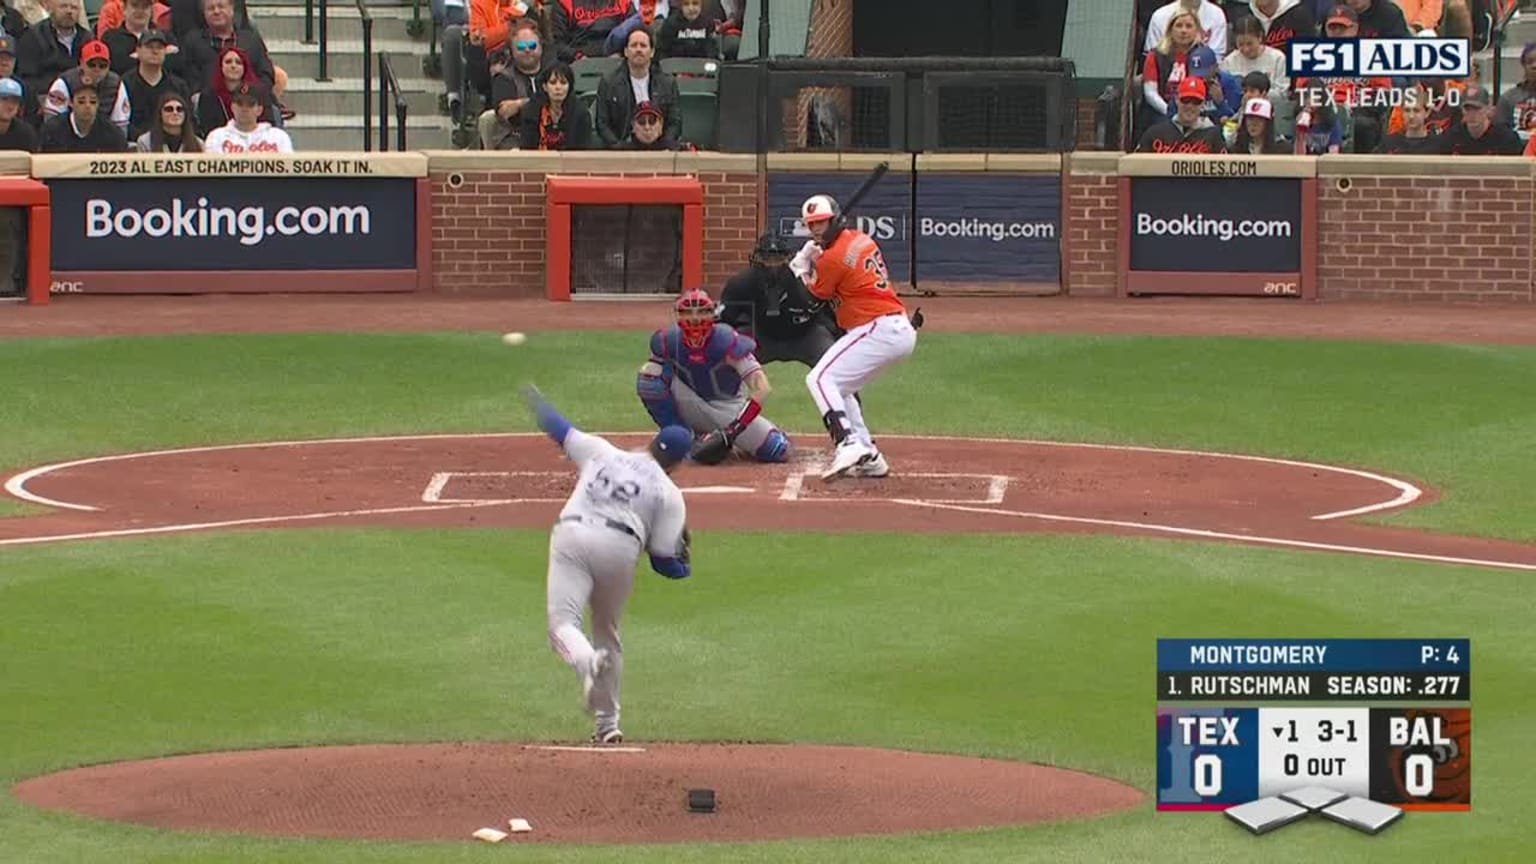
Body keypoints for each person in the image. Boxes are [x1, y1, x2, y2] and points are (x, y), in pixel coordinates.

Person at [522, 384, 693, 746]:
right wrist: (684, 566)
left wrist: (536, 400)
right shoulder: (669, 494)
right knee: (607, 632)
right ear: (678, 463)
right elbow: (665, 562)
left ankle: (586, 661)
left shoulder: (601, 451)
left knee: (563, 625)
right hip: (619, 549)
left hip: (572, 535)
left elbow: (557, 427)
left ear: (652, 442)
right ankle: (608, 725)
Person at [792, 193, 918, 482]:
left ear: (835, 220)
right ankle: (869, 455)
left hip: (877, 328)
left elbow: (812, 299)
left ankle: (847, 443)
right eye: (812, 225)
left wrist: (801, 269)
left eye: (821, 223)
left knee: (819, 379)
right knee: (841, 387)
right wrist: (817, 259)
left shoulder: (833, 259)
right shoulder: (860, 239)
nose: (816, 229)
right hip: (893, 328)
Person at [636, 289, 791, 465]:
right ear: (678, 315)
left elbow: (762, 388)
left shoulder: (726, 340)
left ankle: (728, 436)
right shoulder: (667, 340)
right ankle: (682, 436)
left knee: (777, 449)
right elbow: (653, 373)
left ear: (712, 314)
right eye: (688, 312)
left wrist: (734, 430)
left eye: (702, 312)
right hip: (690, 401)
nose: (695, 319)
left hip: (728, 409)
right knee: (649, 377)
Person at [717, 231, 841, 367]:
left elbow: (830, 315)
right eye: (766, 259)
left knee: (834, 361)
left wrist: (834, 335)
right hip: (761, 336)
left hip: (806, 335)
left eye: (778, 259)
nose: (772, 265)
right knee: (727, 355)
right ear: (756, 259)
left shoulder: (803, 279)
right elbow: (725, 321)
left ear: (788, 259)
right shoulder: (742, 283)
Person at [518, 61, 593, 150]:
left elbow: (584, 148)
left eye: (563, 83)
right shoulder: (531, 111)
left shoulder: (581, 113)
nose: (558, 87)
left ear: (569, 87)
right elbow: (526, 147)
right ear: (545, 87)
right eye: (553, 83)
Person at [203, 80, 292, 151]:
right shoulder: (216, 137)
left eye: (250, 104)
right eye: (240, 104)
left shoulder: (278, 137)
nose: (244, 109)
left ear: (259, 110)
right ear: (232, 107)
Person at [134, 90, 200, 151]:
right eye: (169, 109)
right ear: (160, 114)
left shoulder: (198, 143)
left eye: (179, 109)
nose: (175, 113)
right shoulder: (145, 141)